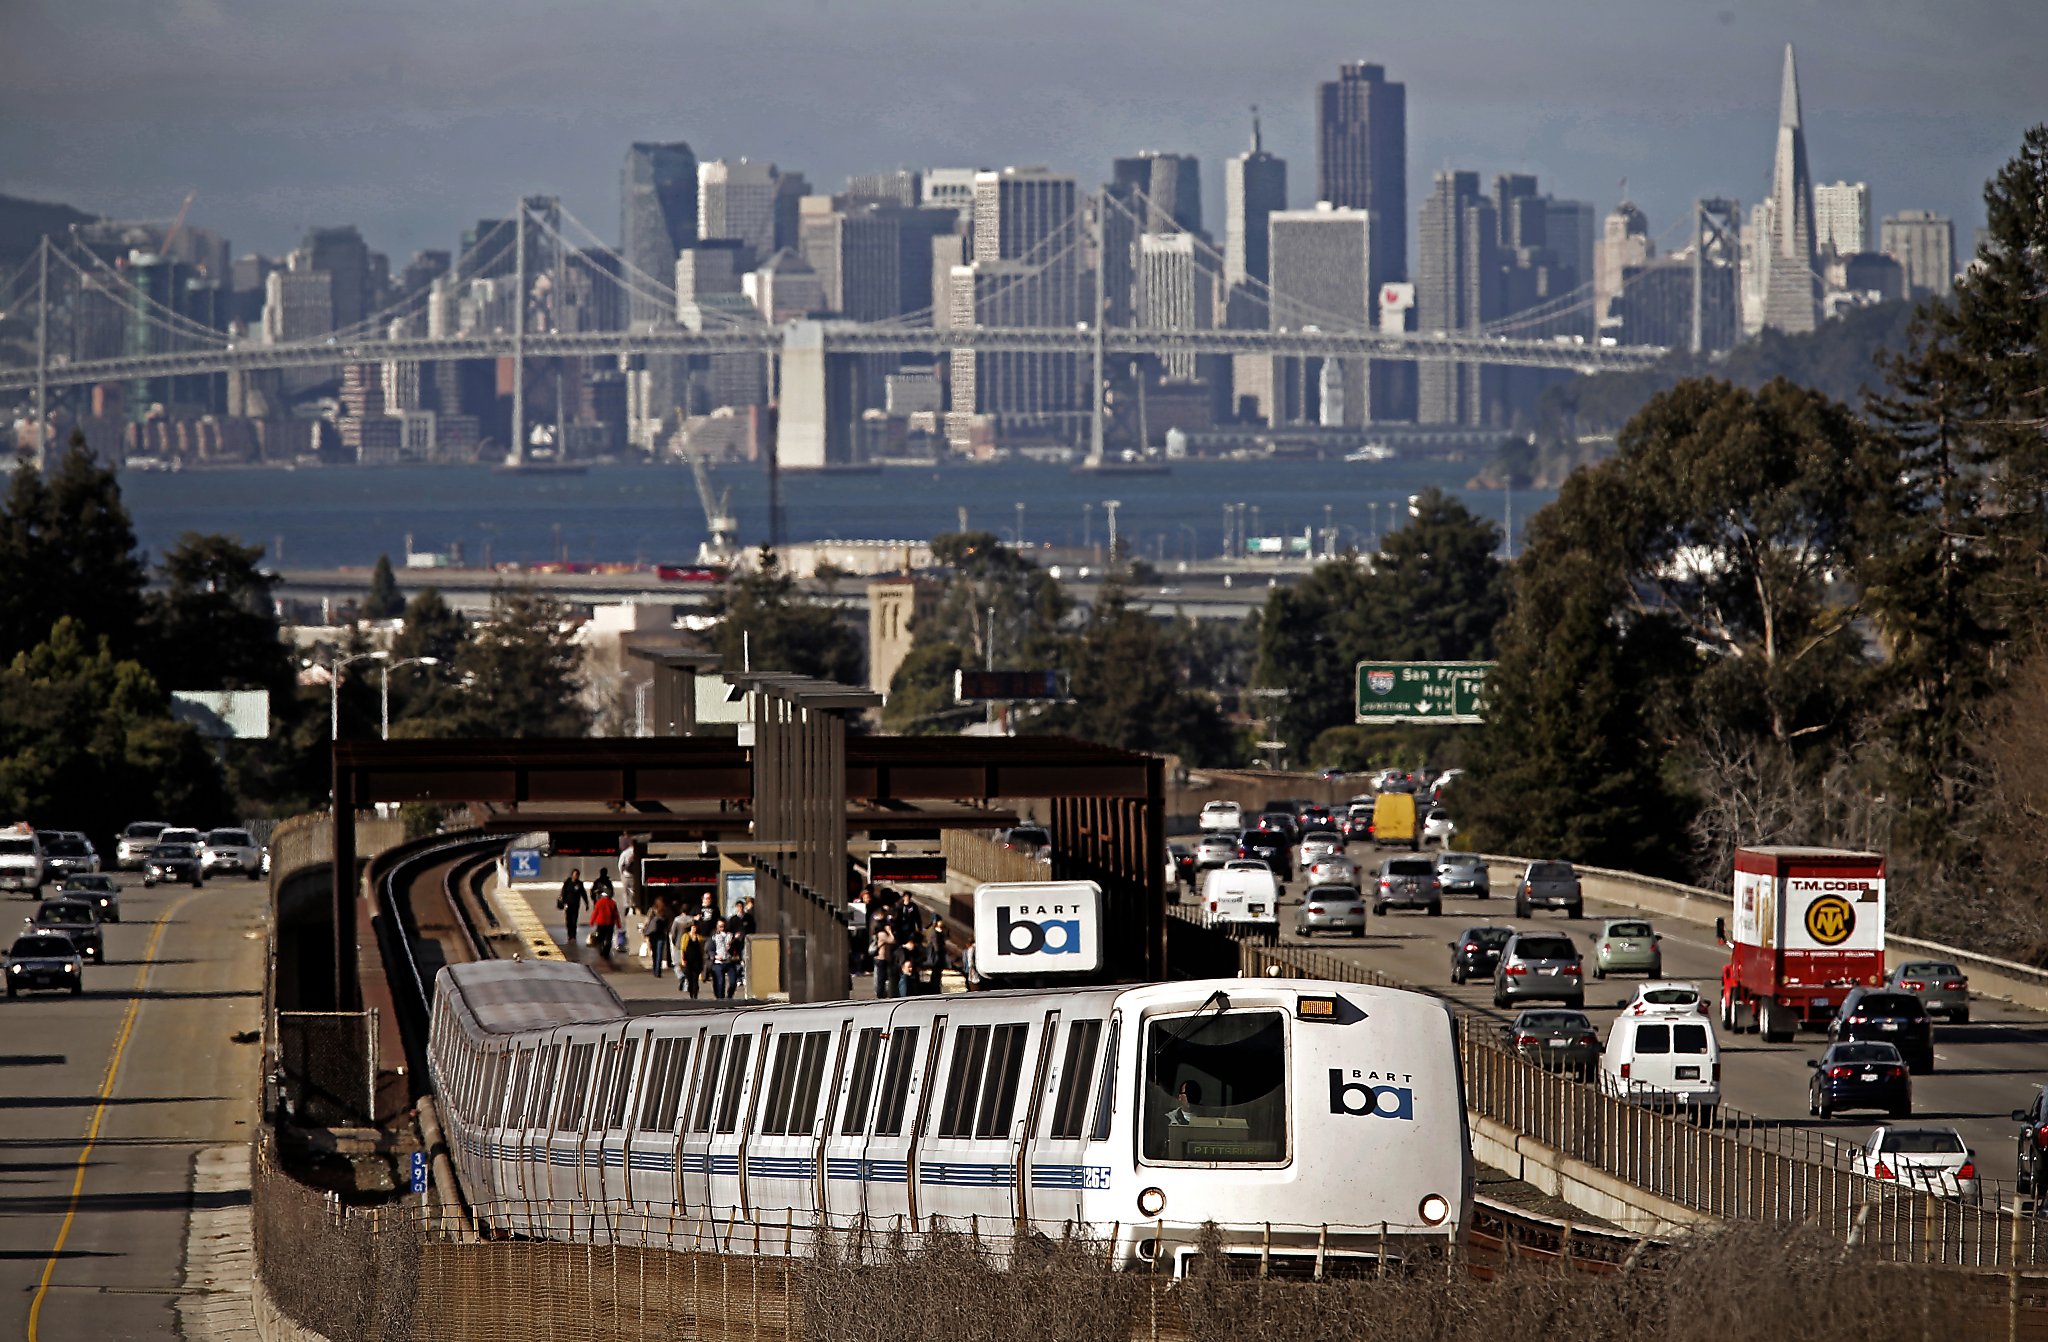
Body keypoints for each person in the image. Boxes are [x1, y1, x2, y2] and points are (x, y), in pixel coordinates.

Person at [709, 919, 744, 1000]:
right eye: (720, 926)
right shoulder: (714, 936)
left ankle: (729, 997)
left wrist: (733, 943)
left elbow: (737, 947)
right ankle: (720, 999)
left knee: (733, 982)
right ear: (717, 926)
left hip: (729, 962)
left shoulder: (730, 935)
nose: (722, 928)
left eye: (723, 926)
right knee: (720, 982)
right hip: (718, 962)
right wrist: (714, 956)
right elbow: (709, 949)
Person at [588, 883, 621, 967]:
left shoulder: (599, 902)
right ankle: (606, 952)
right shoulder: (612, 903)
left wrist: (592, 922)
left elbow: (595, 913)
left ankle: (601, 950)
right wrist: (618, 924)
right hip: (610, 923)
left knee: (600, 938)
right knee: (609, 939)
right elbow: (616, 915)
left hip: (601, 923)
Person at [556, 868, 588, 952]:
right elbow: (563, 893)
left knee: (574, 921)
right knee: (568, 921)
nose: (576, 876)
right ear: (572, 875)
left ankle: (573, 936)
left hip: (575, 906)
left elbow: (583, 894)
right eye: (575, 874)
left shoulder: (579, 884)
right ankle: (569, 935)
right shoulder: (567, 882)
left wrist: (586, 903)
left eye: (577, 875)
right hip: (568, 905)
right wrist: (564, 903)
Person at [643, 896, 674, 978]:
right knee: (659, 952)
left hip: (653, 934)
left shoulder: (652, 910)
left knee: (654, 952)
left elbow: (647, 920)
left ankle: (655, 969)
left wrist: (645, 930)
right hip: (662, 933)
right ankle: (658, 971)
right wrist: (668, 930)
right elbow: (670, 921)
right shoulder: (666, 910)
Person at [678, 920, 706, 998]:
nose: (694, 929)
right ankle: (691, 992)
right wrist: (683, 959)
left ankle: (695, 994)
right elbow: (682, 949)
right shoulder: (685, 936)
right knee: (689, 977)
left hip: (697, 960)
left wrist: (703, 961)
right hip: (688, 961)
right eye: (693, 927)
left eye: (696, 927)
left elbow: (702, 950)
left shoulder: (699, 938)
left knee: (695, 978)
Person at [869, 918, 896, 998]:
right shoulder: (882, 934)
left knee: (883, 976)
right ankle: (880, 993)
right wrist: (889, 931)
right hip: (881, 958)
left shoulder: (880, 934)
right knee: (881, 977)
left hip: (883, 958)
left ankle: (882, 992)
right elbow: (892, 940)